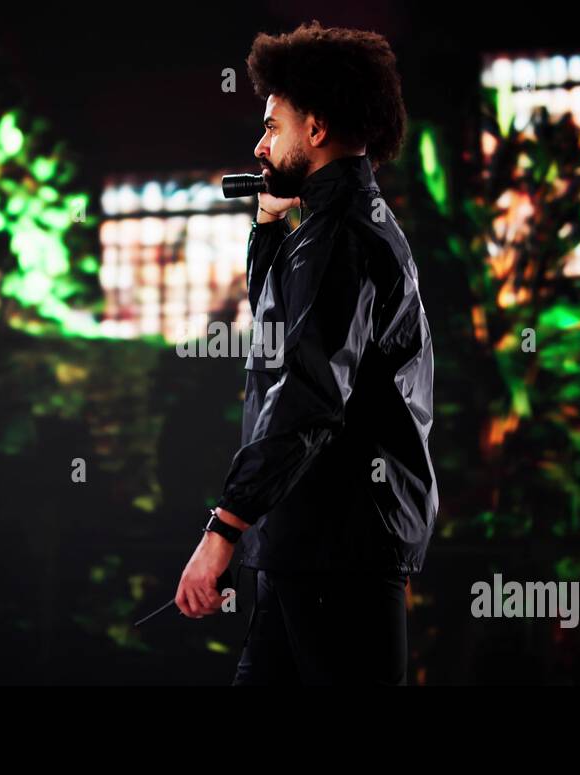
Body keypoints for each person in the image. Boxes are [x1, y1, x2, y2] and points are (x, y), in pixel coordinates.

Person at [174, 20, 438, 685]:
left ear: (315, 130)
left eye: (273, 125)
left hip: (338, 551)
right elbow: (281, 343)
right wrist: (268, 229)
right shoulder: (329, 227)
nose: (260, 145)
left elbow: (309, 393)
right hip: (309, 544)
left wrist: (224, 527)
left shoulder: (340, 235)